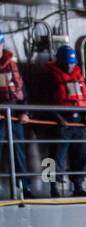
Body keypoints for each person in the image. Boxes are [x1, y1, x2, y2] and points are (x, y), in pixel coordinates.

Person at [46, 45, 86, 197]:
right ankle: (52, 188)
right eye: (66, 63)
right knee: (54, 156)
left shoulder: (79, 75)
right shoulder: (50, 76)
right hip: (59, 121)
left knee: (80, 155)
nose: (69, 66)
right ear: (59, 61)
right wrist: (58, 118)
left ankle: (78, 185)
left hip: (78, 120)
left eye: (72, 63)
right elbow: (43, 100)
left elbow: (85, 98)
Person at [0, 31, 32, 199]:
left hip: (15, 117)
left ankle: (25, 188)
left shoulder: (13, 66)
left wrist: (25, 112)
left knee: (19, 153)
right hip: (0, 118)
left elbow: (22, 90)